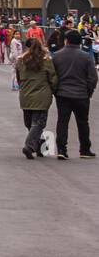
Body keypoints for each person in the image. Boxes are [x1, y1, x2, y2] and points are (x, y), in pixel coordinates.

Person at [51, 29, 96, 160]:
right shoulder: (86, 56)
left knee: (62, 121)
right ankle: (85, 149)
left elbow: (52, 75)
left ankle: (61, 149)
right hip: (81, 95)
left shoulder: (57, 55)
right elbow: (93, 77)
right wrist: (88, 91)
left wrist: (55, 91)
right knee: (83, 122)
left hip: (63, 94)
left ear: (66, 40)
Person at [15, 37, 56, 159]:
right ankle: (30, 146)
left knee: (29, 123)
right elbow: (53, 78)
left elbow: (19, 78)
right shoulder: (46, 60)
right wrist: (53, 90)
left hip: (26, 95)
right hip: (42, 95)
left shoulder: (21, 61)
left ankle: (39, 147)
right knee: (38, 123)